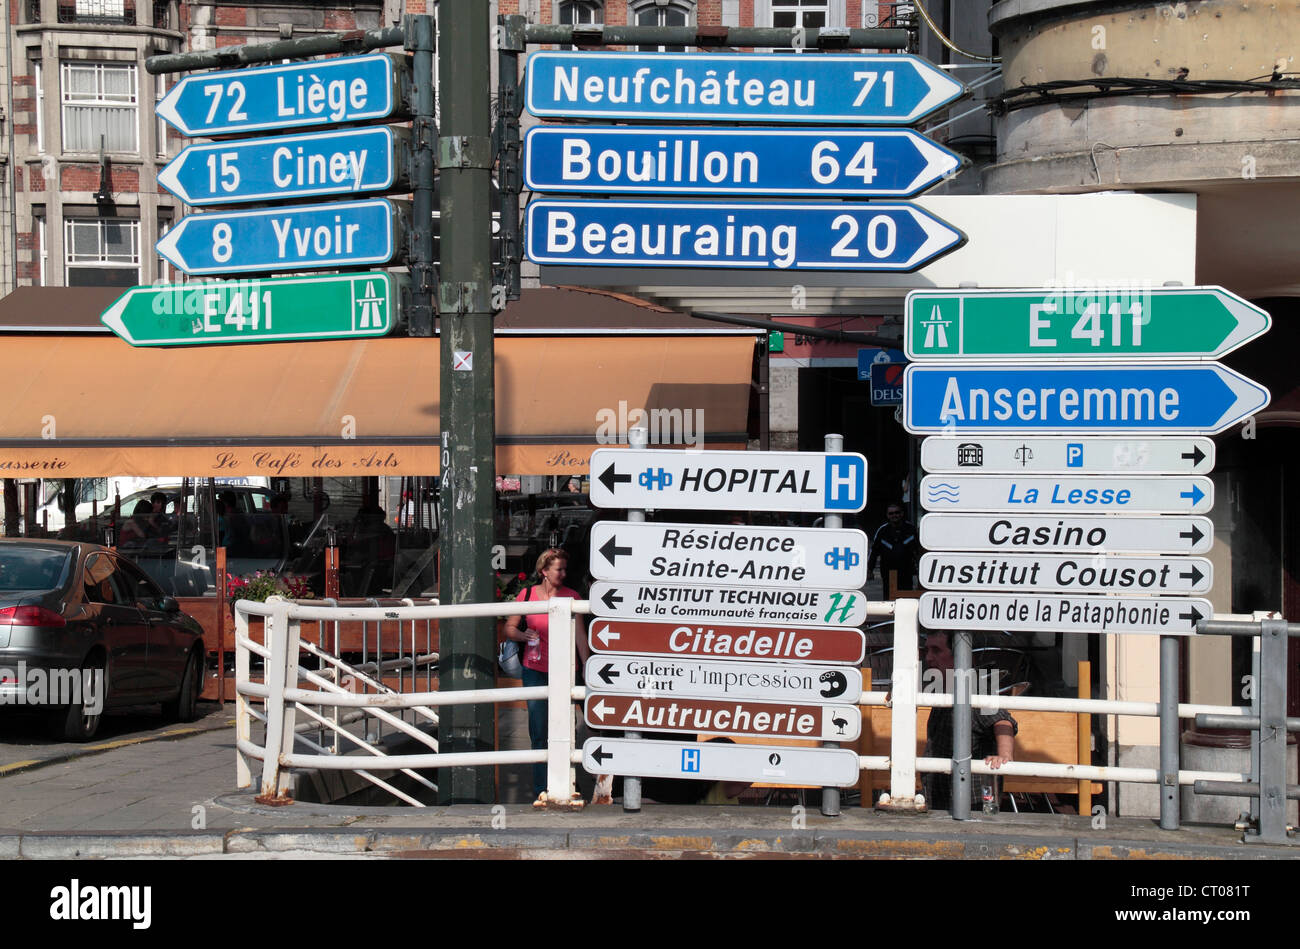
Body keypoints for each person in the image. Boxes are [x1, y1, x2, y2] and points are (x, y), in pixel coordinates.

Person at [503, 547, 590, 800]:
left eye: (565, 569)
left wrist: (585, 667)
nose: (563, 574)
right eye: (558, 569)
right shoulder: (527, 594)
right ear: (544, 571)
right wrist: (522, 634)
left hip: (566, 670)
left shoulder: (572, 596)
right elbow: (509, 627)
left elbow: (580, 637)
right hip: (535, 669)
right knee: (539, 729)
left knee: (568, 729)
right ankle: (542, 786)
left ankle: (569, 783)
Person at [921, 630, 1016, 812]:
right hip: (944, 792)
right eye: (927, 651)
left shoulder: (974, 688)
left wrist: (1004, 755)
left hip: (972, 800)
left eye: (936, 650)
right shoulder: (945, 685)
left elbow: (1003, 720)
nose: (929, 658)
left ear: (959, 655)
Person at [867, 503, 921, 600]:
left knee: (907, 598)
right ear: (887, 515)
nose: (894, 515)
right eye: (891, 513)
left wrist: (921, 570)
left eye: (897, 512)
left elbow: (918, 551)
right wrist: (869, 570)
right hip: (888, 571)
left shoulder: (911, 529)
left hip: (906, 571)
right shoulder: (882, 531)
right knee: (889, 598)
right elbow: (874, 552)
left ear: (902, 514)